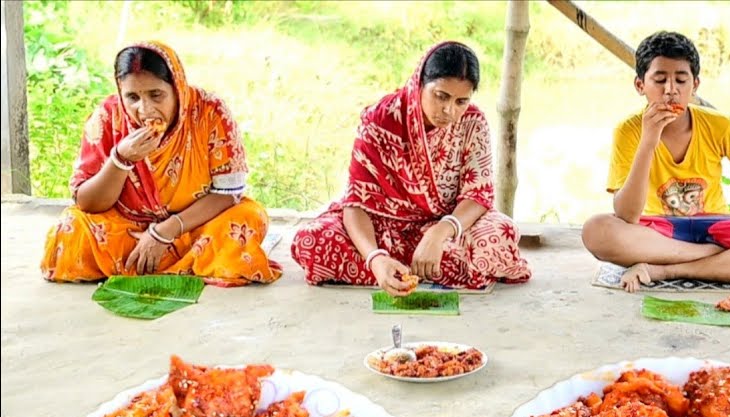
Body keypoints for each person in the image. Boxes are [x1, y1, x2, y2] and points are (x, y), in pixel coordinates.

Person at [581, 31, 730, 292]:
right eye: (659, 80)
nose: (671, 91)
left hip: (716, 225)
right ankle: (714, 258)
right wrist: (648, 142)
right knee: (595, 230)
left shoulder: (720, 125)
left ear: (695, 85)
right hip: (657, 232)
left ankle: (667, 269)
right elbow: (627, 215)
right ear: (640, 85)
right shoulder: (629, 130)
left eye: (681, 80)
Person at [291, 42, 530, 293]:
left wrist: (438, 234)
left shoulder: (472, 122)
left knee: (500, 236)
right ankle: (392, 270)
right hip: (381, 229)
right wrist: (375, 258)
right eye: (441, 96)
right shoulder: (380, 120)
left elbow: (477, 196)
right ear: (419, 84)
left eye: (461, 101)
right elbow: (355, 203)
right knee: (311, 241)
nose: (450, 110)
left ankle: (408, 268)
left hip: (447, 228)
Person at [41, 42, 279, 285]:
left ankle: (148, 261)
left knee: (247, 218)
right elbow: (88, 203)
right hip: (127, 225)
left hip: (193, 223)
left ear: (177, 88)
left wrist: (166, 231)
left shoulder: (209, 111)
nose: (145, 110)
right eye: (132, 97)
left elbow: (228, 193)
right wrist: (121, 160)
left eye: (156, 95)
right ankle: (183, 262)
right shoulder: (107, 117)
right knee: (72, 229)